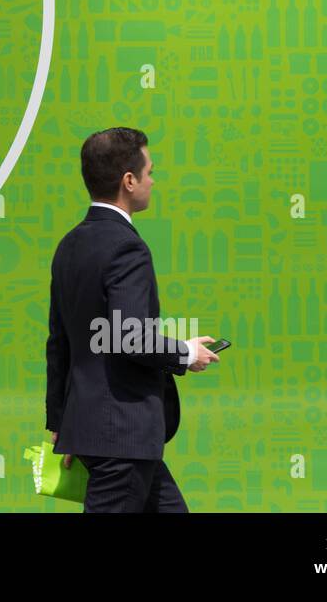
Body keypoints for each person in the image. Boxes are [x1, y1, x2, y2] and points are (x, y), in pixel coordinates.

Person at [45, 126, 219, 512]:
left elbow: (59, 342)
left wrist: (63, 423)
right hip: (121, 435)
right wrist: (186, 353)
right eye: (149, 172)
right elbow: (130, 336)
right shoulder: (127, 248)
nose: (153, 181)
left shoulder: (69, 245)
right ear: (129, 181)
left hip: (105, 434)